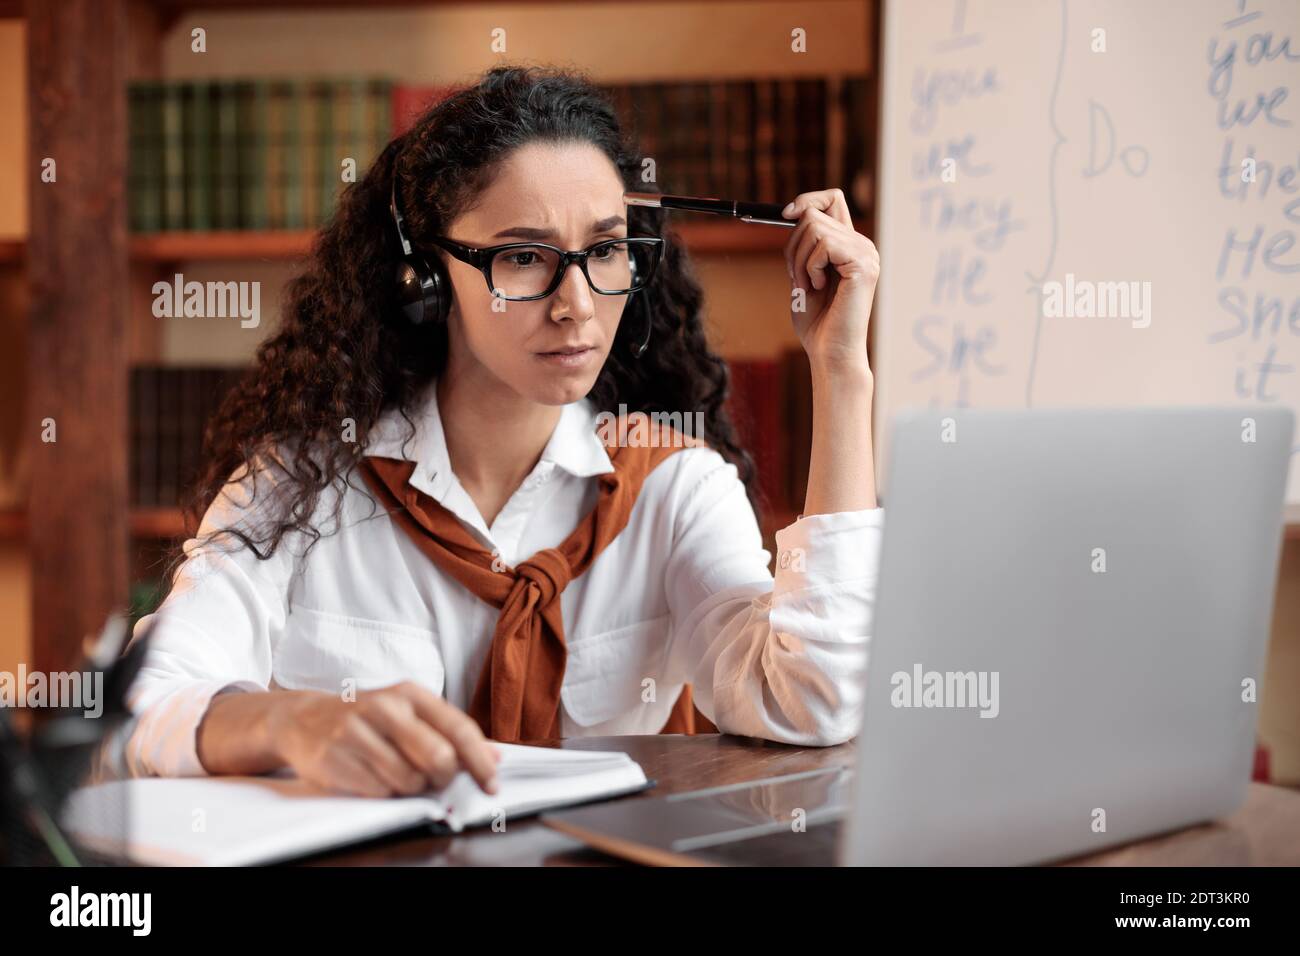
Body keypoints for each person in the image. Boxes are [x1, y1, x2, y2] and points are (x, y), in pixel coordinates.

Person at [123, 64, 884, 798]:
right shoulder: (301, 484)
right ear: (424, 275)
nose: (577, 305)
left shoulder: (674, 490)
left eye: (607, 250)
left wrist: (842, 370)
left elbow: (812, 703)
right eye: (524, 257)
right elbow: (145, 699)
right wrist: (291, 723)